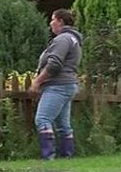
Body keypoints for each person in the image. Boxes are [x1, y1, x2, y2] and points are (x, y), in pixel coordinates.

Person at [28, 9, 83, 160]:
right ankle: (66, 157)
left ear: (60, 21)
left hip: (57, 85)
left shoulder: (63, 39)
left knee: (42, 119)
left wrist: (37, 81)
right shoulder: (73, 39)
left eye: (52, 19)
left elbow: (55, 64)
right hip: (67, 85)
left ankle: (48, 157)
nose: (50, 23)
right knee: (63, 125)